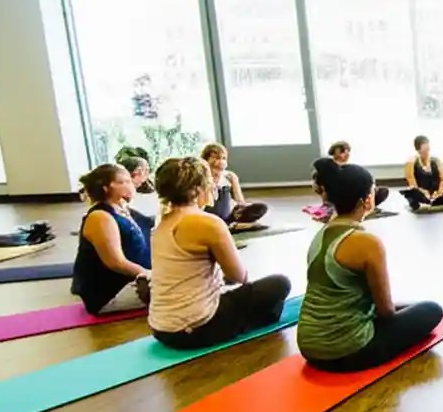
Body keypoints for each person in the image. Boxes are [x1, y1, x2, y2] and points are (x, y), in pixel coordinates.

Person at [298, 158, 443, 371]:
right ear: (366, 201)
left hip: (309, 349)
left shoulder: (319, 236)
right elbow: (385, 311)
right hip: (349, 352)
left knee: (409, 306)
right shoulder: (367, 243)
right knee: (432, 310)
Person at [149, 157, 291, 350]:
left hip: (160, 328)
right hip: (196, 329)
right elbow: (239, 276)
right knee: (279, 284)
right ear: (199, 189)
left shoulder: (160, 225)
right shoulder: (208, 223)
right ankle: (248, 323)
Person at [71, 164, 151, 315]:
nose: (131, 185)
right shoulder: (100, 217)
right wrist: (150, 275)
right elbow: (116, 263)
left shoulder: (125, 211)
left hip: (136, 280)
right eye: (124, 181)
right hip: (112, 293)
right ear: (106, 188)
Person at [200, 143, 269, 225]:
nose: (221, 161)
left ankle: (232, 223)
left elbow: (239, 201)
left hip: (227, 217)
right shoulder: (200, 176)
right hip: (207, 216)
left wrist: (242, 208)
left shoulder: (230, 177)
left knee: (261, 208)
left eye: (224, 158)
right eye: (216, 158)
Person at [401, 135, 443, 210]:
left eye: (428, 149)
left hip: (436, 193)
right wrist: (424, 193)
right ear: (418, 150)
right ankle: (428, 202)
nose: (427, 153)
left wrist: (439, 192)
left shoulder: (436, 160)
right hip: (422, 193)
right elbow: (412, 183)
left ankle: (437, 201)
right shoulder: (411, 162)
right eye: (424, 151)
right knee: (412, 193)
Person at [329, 141, 388, 206]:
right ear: (334, 153)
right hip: (346, 197)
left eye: (347, 151)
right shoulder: (330, 168)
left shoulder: (352, 168)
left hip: (360, 195)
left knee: (383, 190)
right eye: (342, 151)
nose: (347, 154)